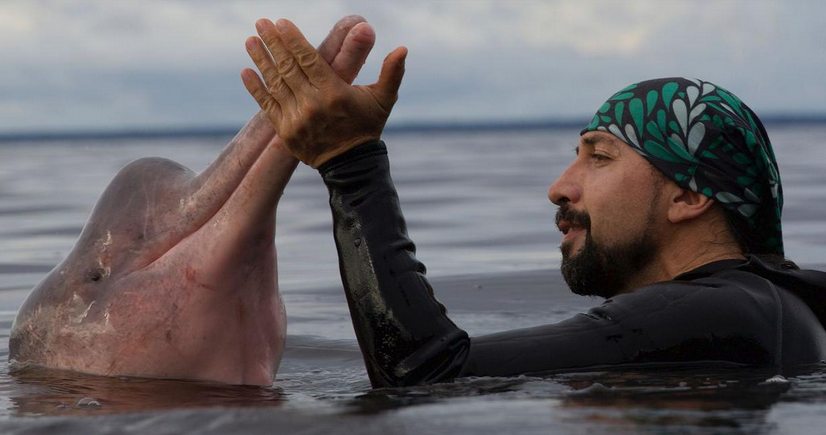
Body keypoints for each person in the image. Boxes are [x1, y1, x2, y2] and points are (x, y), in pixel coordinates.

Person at [241, 18, 826, 388]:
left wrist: (351, 162)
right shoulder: (774, 307)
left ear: (691, 193)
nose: (560, 186)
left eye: (599, 157)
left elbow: (423, 372)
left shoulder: (712, 311)